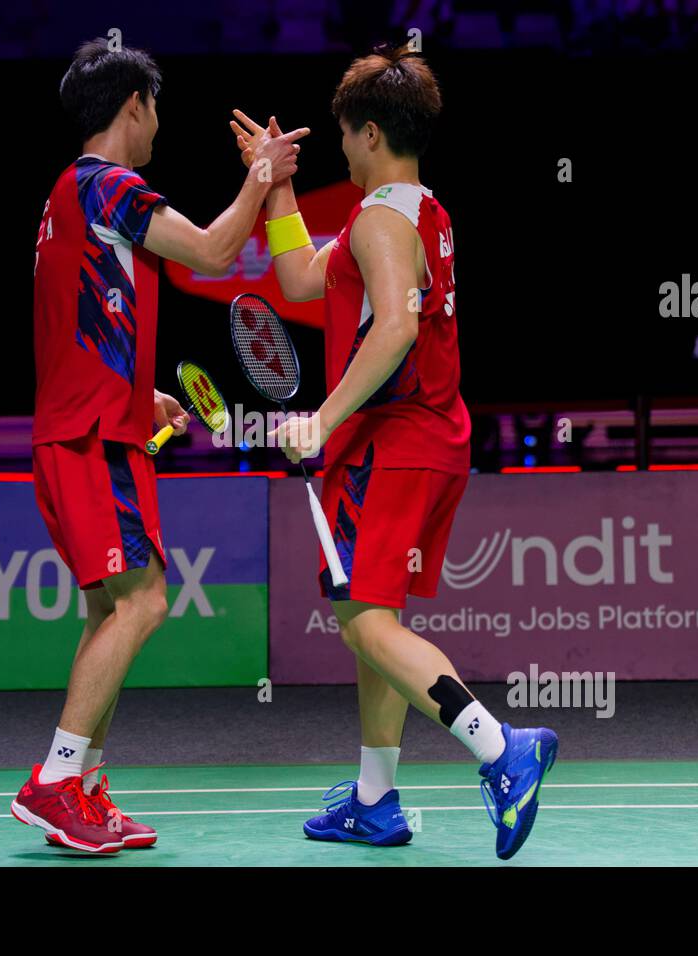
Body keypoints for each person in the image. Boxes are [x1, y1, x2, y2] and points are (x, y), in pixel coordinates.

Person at [234, 45, 558, 860]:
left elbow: (397, 326)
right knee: (369, 615)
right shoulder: (416, 210)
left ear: (370, 131)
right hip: (427, 437)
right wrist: (275, 184)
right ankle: (374, 799)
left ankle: (499, 747)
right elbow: (302, 280)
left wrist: (321, 418)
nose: (339, 147)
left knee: (364, 621)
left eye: (344, 132)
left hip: (395, 441)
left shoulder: (382, 219)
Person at [11, 38, 308, 854]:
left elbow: (79, 321)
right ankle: (55, 782)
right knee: (144, 602)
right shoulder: (109, 183)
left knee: (110, 609)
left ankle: (86, 786)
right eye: (156, 108)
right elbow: (214, 251)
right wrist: (264, 175)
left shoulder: (67, 195)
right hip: (91, 440)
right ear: (134, 105)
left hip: (94, 426)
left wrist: (142, 399)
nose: (157, 125)